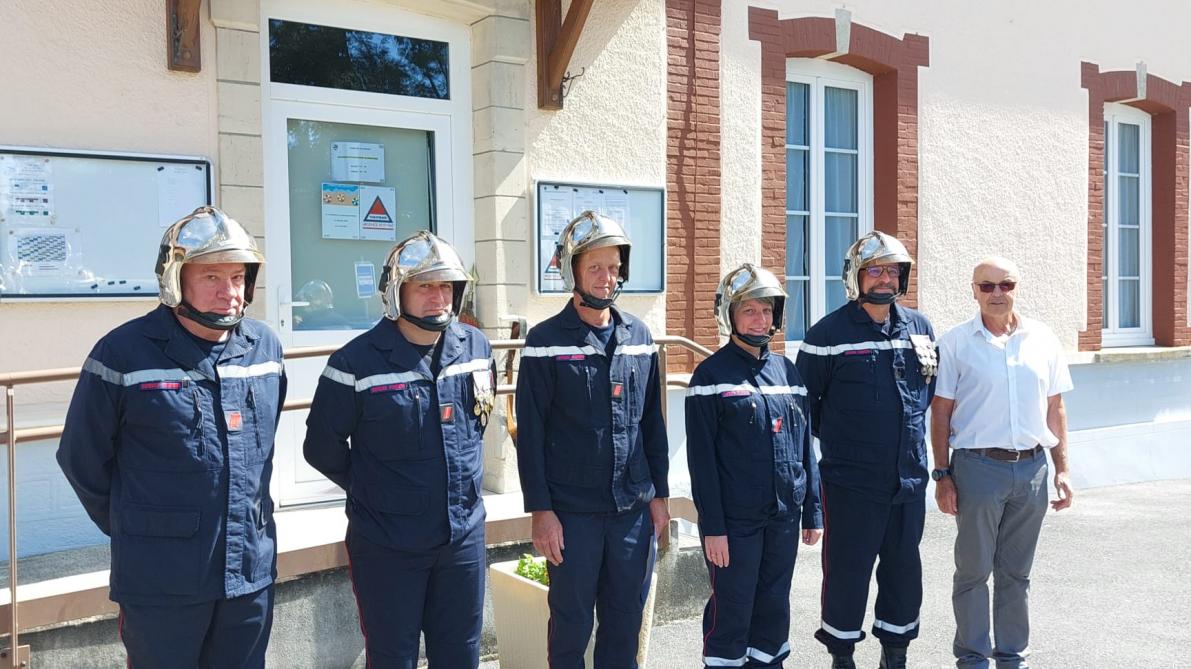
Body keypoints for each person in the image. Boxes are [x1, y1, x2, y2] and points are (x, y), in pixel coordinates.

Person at [57, 206, 287, 668]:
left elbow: (263, 447)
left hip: (247, 572)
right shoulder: (121, 353)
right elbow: (82, 458)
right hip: (161, 581)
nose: (230, 293)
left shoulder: (265, 347)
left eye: (239, 277)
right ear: (175, 279)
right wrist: (143, 528)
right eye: (212, 277)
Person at [303, 231, 495, 668]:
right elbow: (320, 446)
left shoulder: (477, 348)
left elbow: (477, 419)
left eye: (446, 286)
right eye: (424, 286)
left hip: (462, 537)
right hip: (388, 544)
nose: (437, 297)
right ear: (396, 292)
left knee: (462, 655)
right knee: (393, 657)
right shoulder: (354, 363)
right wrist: (375, 487)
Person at [515, 211, 670, 668]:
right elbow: (533, 435)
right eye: (595, 268)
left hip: (631, 513)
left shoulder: (640, 337)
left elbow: (652, 425)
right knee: (570, 628)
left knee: (624, 626)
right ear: (572, 272)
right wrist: (541, 512)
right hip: (572, 516)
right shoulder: (545, 342)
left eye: (614, 267)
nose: (607, 278)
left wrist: (659, 497)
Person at [794, 231, 937, 669]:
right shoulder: (827, 334)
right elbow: (806, 409)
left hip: (907, 481)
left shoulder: (920, 327)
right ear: (855, 277)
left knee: (902, 573)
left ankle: (896, 653)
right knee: (847, 574)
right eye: (875, 270)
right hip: (851, 484)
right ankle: (842, 654)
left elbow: (926, 392)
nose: (884, 279)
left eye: (892, 270)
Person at [930, 257, 1074, 669]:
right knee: (973, 571)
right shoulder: (956, 342)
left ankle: (1012, 658)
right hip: (978, 469)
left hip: (1032, 470)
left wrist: (1062, 468)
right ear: (972, 290)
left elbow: (1056, 408)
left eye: (1005, 285)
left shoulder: (1043, 338)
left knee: (1016, 573)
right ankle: (973, 658)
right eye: (987, 286)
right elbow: (940, 413)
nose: (997, 293)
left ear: (1016, 288)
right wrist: (942, 475)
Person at [686, 263, 823, 668]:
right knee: (733, 611)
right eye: (749, 310)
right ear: (729, 314)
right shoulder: (710, 376)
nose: (759, 319)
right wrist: (713, 528)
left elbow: (805, 448)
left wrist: (812, 511)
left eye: (766, 310)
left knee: (774, 607)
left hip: (783, 517)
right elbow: (702, 463)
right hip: (735, 524)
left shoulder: (788, 372)